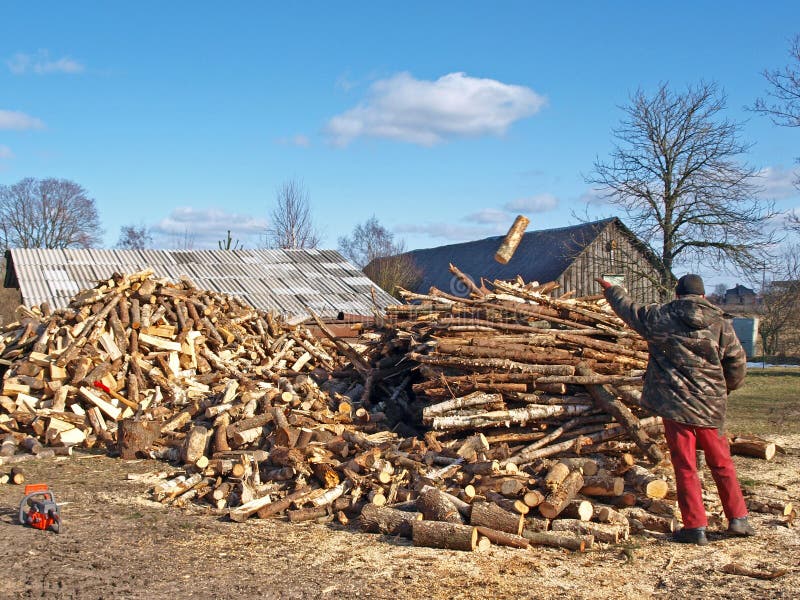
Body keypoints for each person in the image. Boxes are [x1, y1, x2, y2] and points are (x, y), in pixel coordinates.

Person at [595, 273, 754, 545]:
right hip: (710, 406)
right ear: (703, 296)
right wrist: (724, 389)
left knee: (685, 465)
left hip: (676, 405)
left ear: (678, 295)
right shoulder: (721, 323)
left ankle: (695, 527)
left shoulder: (660, 317)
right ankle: (738, 518)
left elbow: (629, 310)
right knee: (722, 462)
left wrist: (613, 290)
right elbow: (737, 362)